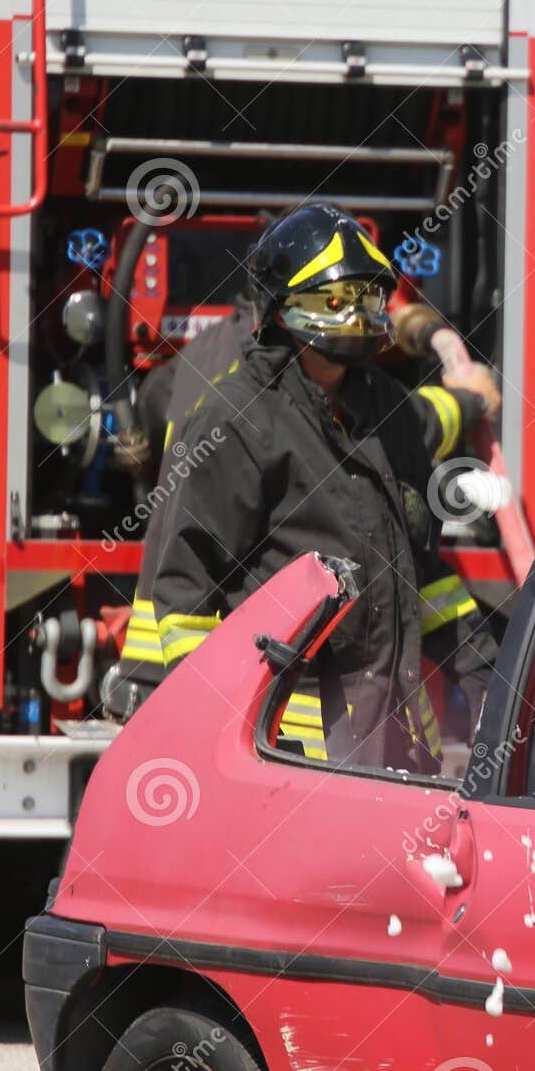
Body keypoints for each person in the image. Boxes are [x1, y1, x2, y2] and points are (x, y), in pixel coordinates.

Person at [109, 203, 500, 772]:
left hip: (394, 755)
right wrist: (222, 742)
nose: (355, 316)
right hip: (285, 761)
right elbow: (183, 600)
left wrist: (498, 685)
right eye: (335, 303)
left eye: (366, 299)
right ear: (280, 310)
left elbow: (419, 574)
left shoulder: (386, 411)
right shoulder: (236, 422)